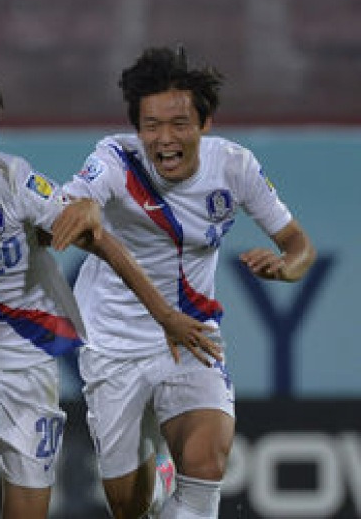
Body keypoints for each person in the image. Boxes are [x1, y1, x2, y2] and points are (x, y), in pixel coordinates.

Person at [0, 72, 219, 519]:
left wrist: (165, 315)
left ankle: (157, 481)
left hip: (29, 366)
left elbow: (100, 241)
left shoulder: (14, 182)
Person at [59, 46, 316, 519]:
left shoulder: (235, 167)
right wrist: (85, 206)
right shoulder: (115, 159)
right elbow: (77, 205)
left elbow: (299, 245)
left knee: (205, 465)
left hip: (190, 337)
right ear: (137, 128)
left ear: (205, 124)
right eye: (151, 126)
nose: (165, 139)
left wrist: (286, 267)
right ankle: (157, 483)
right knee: (129, 507)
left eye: (179, 124)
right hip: (112, 344)